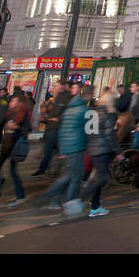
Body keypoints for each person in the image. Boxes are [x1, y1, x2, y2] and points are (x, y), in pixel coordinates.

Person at [41, 84, 90, 216]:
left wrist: (62, 151)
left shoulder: (68, 111)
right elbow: (90, 131)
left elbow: (61, 130)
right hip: (77, 147)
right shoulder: (85, 110)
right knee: (75, 177)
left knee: (68, 175)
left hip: (66, 147)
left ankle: (52, 199)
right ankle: (68, 203)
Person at [82, 90, 121, 217]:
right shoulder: (107, 115)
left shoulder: (92, 112)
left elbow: (87, 131)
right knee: (102, 179)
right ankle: (81, 197)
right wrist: (118, 152)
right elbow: (111, 136)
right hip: (103, 150)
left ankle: (95, 206)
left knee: (98, 177)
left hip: (92, 149)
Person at [0, 88, 31, 207]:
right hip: (8, 143)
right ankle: (16, 195)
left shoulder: (21, 113)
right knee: (8, 170)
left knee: (5, 170)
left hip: (13, 144)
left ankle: (3, 195)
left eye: (13, 100)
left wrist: (13, 127)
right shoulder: (11, 112)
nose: (11, 102)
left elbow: (24, 128)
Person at [33, 82, 69, 176]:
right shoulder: (53, 100)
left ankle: (44, 169)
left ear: (61, 88)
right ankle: (48, 169)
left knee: (50, 150)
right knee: (51, 150)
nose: (54, 88)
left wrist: (57, 118)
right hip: (51, 127)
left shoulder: (63, 99)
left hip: (55, 128)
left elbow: (63, 113)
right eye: (55, 86)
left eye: (56, 86)